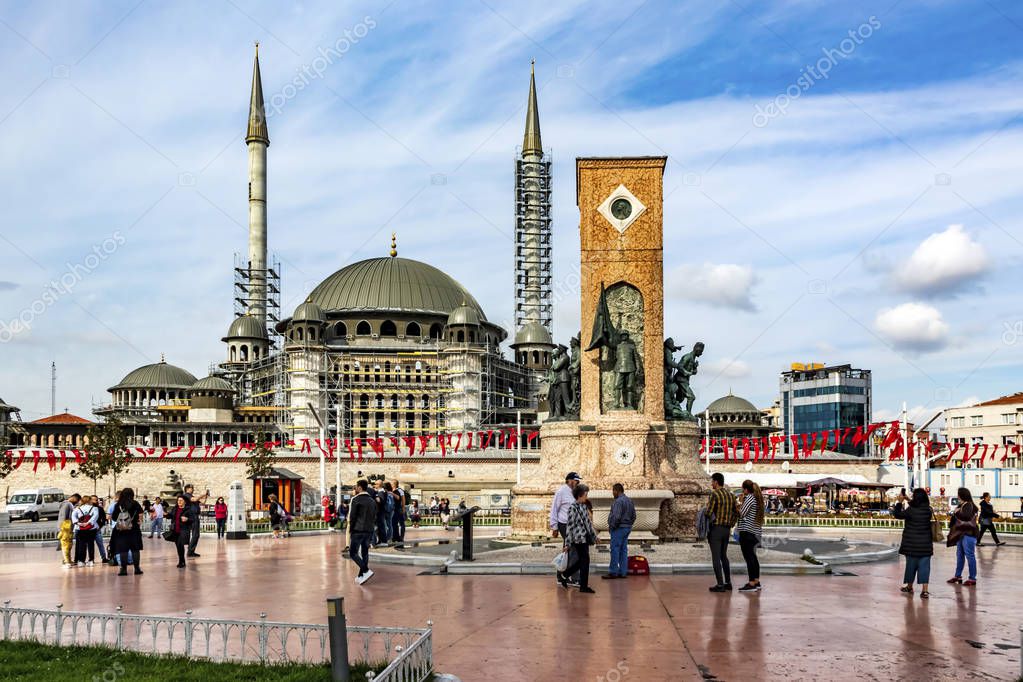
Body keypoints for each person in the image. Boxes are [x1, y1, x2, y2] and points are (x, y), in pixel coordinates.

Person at [892, 488, 933, 598]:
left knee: (911, 565)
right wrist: (908, 499)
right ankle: (924, 591)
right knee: (925, 567)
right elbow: (918, 506)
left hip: (911, 544)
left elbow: (897, 514)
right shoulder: (928, 510)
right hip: (925, 544)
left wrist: (900, 502)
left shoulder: (911, 510)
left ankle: (909, 586)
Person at [557, 484, 596, 594]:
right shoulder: (572, 508)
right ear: (580, 495)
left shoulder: (583, 507)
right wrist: (567, 544)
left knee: (582, 561)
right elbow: (569, 526)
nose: (586, 497)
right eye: (585, 494)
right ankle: (583, 586)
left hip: (585, 538)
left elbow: (588, 524)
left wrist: (594, 536)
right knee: (585, 561)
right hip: (578, 539)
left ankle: (565, 575)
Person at [706, 472, 738, 592]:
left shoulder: (715, 495)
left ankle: (720, 584)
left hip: (716, 529)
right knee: (724, 556)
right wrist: (731, 523)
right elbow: (736, 512)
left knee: (716, 557)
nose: (711, 484)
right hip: (726, 530)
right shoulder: (731, 495)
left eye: (712, 481)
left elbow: (708, 513)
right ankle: (728, 582)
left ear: (716, 482)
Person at [550, 472, 583, 585]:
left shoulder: (576, 492)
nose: (577, 482)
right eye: (575, 480)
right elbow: (554, 508)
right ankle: (574, 578)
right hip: (564, 524)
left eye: (578, 481)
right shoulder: (561, 492)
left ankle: (561, 576)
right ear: (568, 480)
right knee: (574, 549)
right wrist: (554, 527)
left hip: (574, 525)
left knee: (568, 549)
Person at [947, 487, 980, 586]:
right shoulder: (962, 505)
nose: (957, 496)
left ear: (962, 495)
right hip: (961, 533)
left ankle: (972, 578)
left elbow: (965, 516)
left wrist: (956, 511)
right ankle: (958, 576)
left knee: (970, 555)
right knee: (960, 555)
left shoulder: (969, 505)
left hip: (968, 534)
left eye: (958, 494)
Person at [736, 480, 764, 593]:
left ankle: (751, 582)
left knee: (749, 558)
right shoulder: (757, 499)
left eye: (743, 489)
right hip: (755, 532)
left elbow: (742, 513)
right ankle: (756, 581)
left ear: (746, 489)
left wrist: (738, 504)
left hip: (747, 532)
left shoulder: (750, 498)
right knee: (753, 557)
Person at [603, 483, 635, 580]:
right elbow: (634, 516)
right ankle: (623, 572)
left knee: (615, 550)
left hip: (618, 528)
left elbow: (616, 517)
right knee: (623, 550)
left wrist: (612, 527)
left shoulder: (618, 501)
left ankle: (613, 572)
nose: (613, 493)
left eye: (613, 491)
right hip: (627, 528)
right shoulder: (629, 501)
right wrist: (629, 525)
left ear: (617, 491)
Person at [109, 487, 144, 576]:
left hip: (121, 531)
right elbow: (140, 514)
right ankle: (137, 568)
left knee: (123, 550)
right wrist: (139, 521)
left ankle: (123, 569)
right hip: (134, 529)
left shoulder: (118, 504)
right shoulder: (135, 503)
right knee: (135, 549)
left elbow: (113, 517)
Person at [348, 479, 377, 585]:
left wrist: (351, 529)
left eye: (356, 486)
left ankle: (365, 570)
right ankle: (361, 576)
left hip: (358, 529)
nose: (355, 488)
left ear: (360, 487)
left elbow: (353, 516)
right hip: (369, 530)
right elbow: (374, 516)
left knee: (353, 553)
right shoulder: (372, 500)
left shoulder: (356, 499)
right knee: (365, 552)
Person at [182, 484, 209, 558]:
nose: (193, 489)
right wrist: (203, 494)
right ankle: (190, 551)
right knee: (195, 534)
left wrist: (206, 496)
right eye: (192, 488)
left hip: (195, 516)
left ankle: (191, 551)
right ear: (187, 489)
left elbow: (203, 502)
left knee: (196, 534)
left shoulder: (192, 496)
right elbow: (195, 499)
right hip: (192, 516)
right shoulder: (186, 495)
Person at [71, 496, 99, 566]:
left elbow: (73, 516)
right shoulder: (94, 508)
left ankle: (81, 561)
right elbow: (95, 516)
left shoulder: (78, 508)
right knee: (91, 544)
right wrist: (88, 523)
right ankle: (91, 560)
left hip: (80, 528)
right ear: (89, 501)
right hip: (91, 529)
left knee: (81, 545)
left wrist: (79, 523)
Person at [57, 493, 81, 568]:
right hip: (65, 528)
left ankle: (67, 560)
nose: (77, 502)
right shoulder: (66, 504)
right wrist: (63, 528)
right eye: (77, 500)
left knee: (69, 545)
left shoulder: (70, 504)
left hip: (68, 528)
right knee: (65, 545)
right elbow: (63, 517)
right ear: (73, 498)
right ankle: (66, 561)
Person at [169, 494, 193, 568]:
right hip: (175, 530)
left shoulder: (188, 509)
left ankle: (181, 561)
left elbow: (193, 519)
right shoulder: (175, 508)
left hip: (183, 531)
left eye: (181, 500)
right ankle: (182, 561)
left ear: (185, 502)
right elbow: (170, 515)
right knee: (178, 547)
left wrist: (187, 519)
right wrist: (166, 514)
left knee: (180, 545)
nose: (179, 501)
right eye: (178, 500)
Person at [91, 496, 110, 564]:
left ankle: (104, 558)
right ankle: (91, 559)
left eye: (97, 500)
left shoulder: (100, 508)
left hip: (96, 529)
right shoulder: (88, 508)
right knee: (90, 545)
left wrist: (100, 526)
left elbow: (104, 519)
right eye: (95, 500)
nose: (97, 501)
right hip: (89, 529)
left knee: (100, 544)